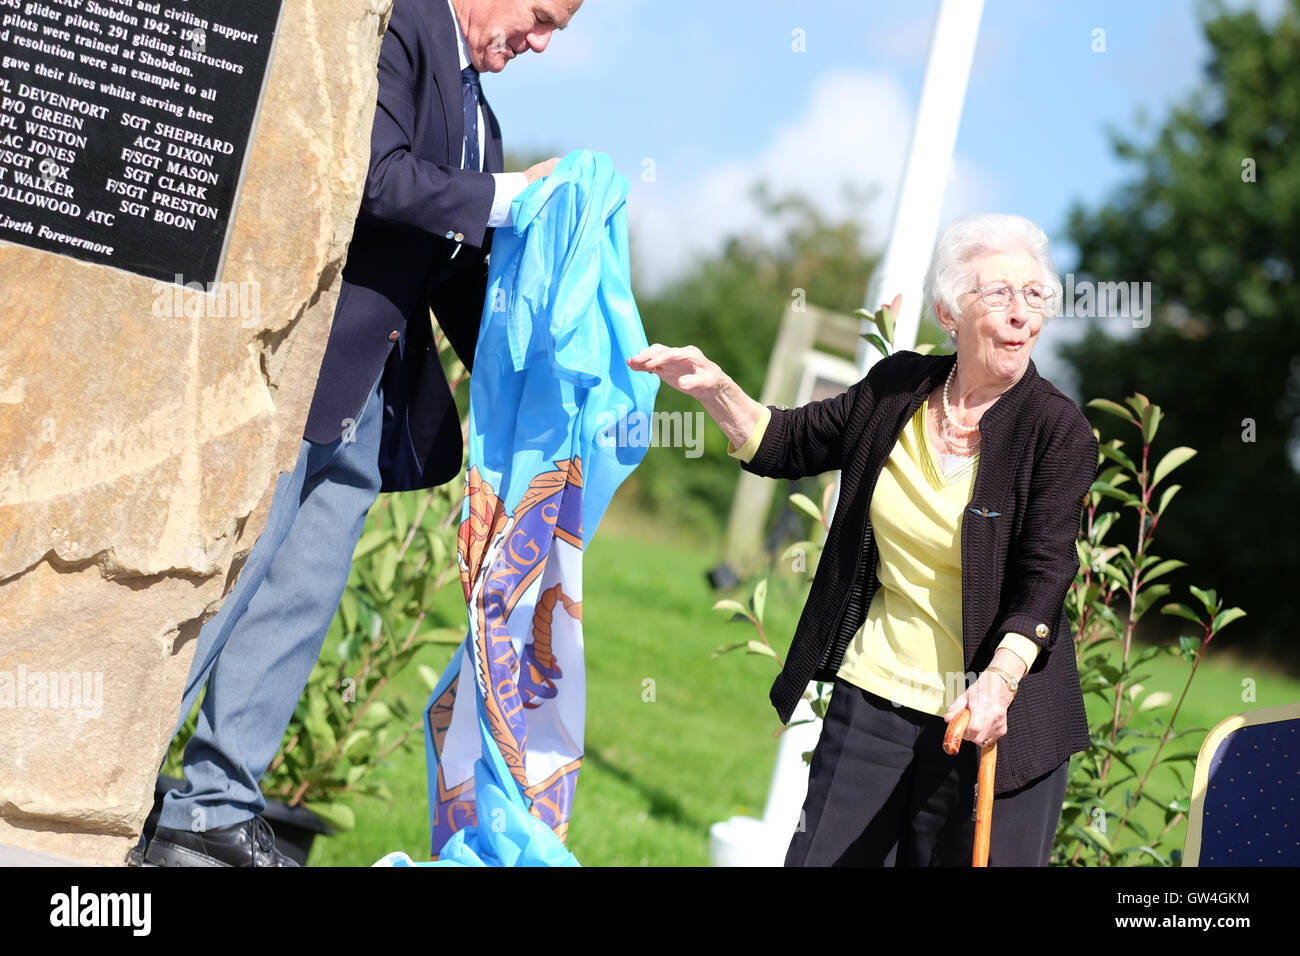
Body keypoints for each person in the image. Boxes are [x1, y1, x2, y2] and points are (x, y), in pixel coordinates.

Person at [141, 0, 583, 867]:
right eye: (538, 18)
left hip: (368, 397)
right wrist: (507, 196)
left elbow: (455, 281)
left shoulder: (482, 125)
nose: (536, 44)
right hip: (290, 365)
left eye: (554, 34)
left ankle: (211, 811)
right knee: (224, 584)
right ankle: (111, 779)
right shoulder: (401, 23)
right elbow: (370, 176)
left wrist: (552, 373)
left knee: (297, 601)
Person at [630, 214, 1099, 866]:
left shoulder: (1056, 431)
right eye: (999, 294)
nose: (1022, 314)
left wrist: (999, 678)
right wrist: (716, 389)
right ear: (949, 311)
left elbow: (1047, 573)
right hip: (875, 696)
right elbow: (787, 441)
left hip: (995, 719)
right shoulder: (896, 387)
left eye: (1034, 295)